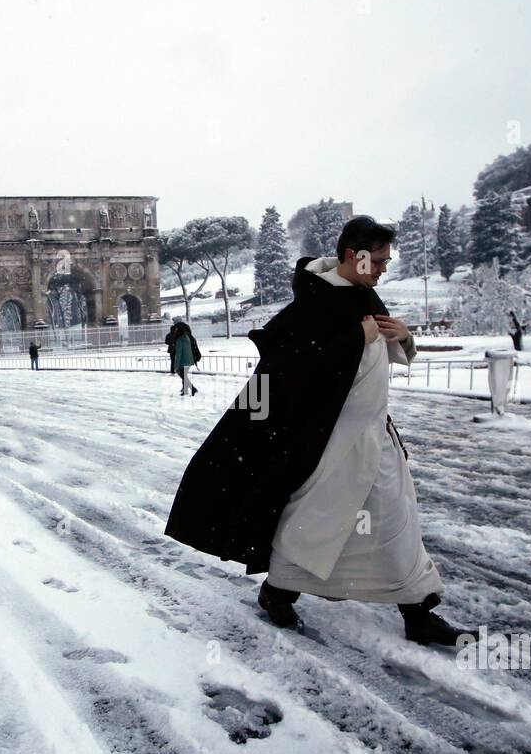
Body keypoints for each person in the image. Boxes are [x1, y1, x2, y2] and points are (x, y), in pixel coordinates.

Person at [164, 216, 476, 647]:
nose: (385, 267)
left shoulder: (366, 295)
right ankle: (277, 592)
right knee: (317, 522)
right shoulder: (314, 302)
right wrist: (355, 336)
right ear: (354, 255)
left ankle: (418, 611)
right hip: (328, 440)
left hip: (376, 435)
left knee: (396, 519)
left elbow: (380, 355)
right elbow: (292, 365)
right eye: (380, 260)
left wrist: (402, 336)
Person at [172, 320, 200, 395]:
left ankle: (193, 389)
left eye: (176, 331)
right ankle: (185, 391)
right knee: (184, 376)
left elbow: (179, 354)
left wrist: (176, 365)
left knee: (184, 377)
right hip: (189, 360)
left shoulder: (179, 340)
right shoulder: (187, 337)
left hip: (182, 362)